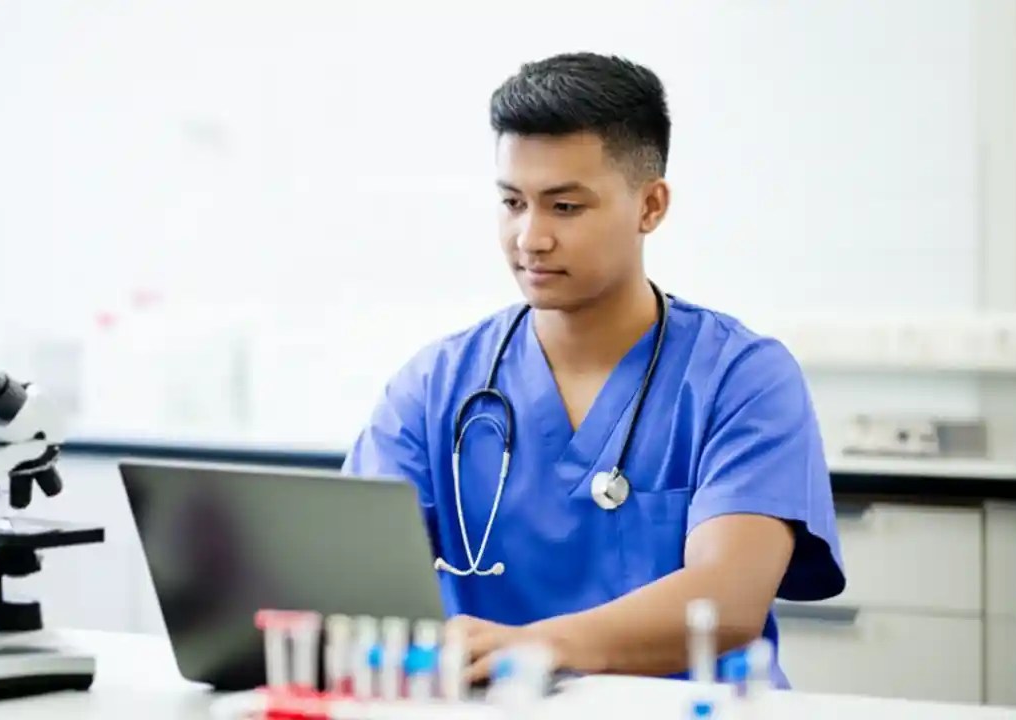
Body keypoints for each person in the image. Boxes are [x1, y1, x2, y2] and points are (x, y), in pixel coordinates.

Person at [342, 52, 844, 688]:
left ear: (651, 206)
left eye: (565, 207)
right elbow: (352, 579)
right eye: (512, 202)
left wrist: (537, 646)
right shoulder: (436, 385)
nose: (530, 237)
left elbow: (728, 601)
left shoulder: (742, 379)